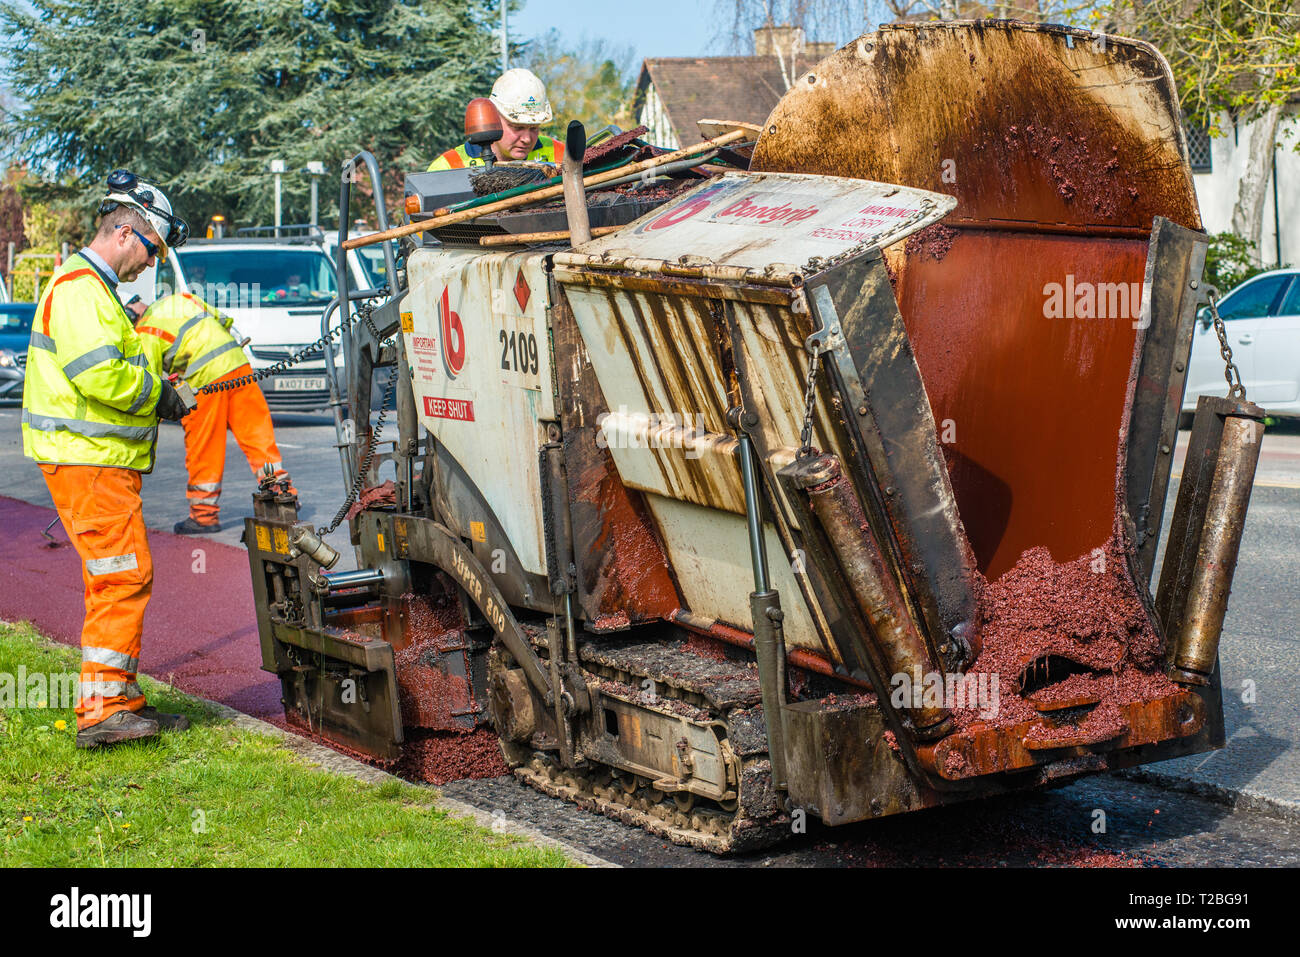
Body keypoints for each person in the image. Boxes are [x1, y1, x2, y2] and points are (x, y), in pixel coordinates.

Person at [21, 169, 194, 749]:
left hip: (93, 462)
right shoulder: (80, 289)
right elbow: (97, 374)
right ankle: (101, 713)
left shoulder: (92, 291)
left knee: (119, 577)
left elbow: (109, 364)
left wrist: (155, 373)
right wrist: (161, 396)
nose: (150, 265)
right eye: (151, 251)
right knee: (122, 577)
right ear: (124, 232)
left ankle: (118, 699)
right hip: (87, 463)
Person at [135, 291, 296, 534]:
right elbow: (225, 321)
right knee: (257, 436)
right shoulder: (182, 298)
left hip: (204, 381)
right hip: (238, 364)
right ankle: (283, 498)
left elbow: (151, 378)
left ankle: (204, 515)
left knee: (204, 445)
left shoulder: (144, 331)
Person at [428, 68, 566, 170]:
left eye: (534, 128)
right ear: (493, 117)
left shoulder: (561, 155)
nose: (527, 139)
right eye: (517, 127)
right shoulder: (449, 166)